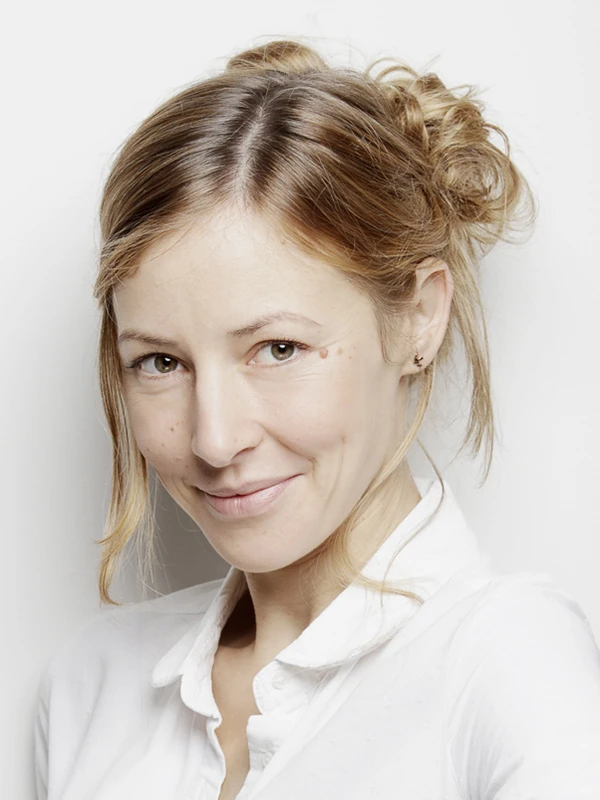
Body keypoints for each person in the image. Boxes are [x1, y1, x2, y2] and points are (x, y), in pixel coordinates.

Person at [34, 38, 600, 800]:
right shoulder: (91, 688)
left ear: (419, 317)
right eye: (161, 362)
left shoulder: (508, 667)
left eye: (278, 349)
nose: (214, 440)